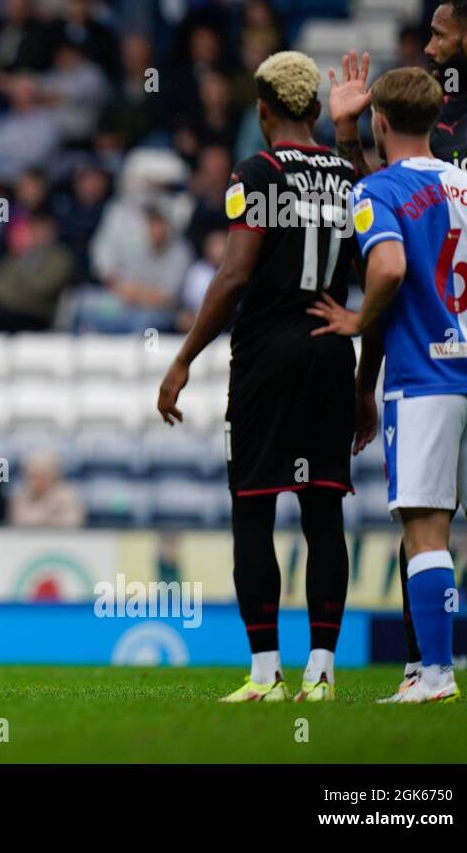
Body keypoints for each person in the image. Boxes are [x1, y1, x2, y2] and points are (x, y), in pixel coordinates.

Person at [158, 52, 362, 702]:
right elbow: (383, 263)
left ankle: (265, 672)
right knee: (322, 511)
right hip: (333, 348)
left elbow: (235, 274)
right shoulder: (350, 174)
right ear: (313, 109)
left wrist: (185, 355)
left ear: (264, 109)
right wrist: (365, 375)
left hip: (269, 357)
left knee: (253, 510)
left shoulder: (258, 171)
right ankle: (323, 671)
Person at [329, 0, 467, 698]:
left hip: (423, 378)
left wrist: (355, 320)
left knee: (425, 529)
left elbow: (392, 261)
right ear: (440, 118)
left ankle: (432, 673)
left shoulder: (381, 193)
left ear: (378, 117)